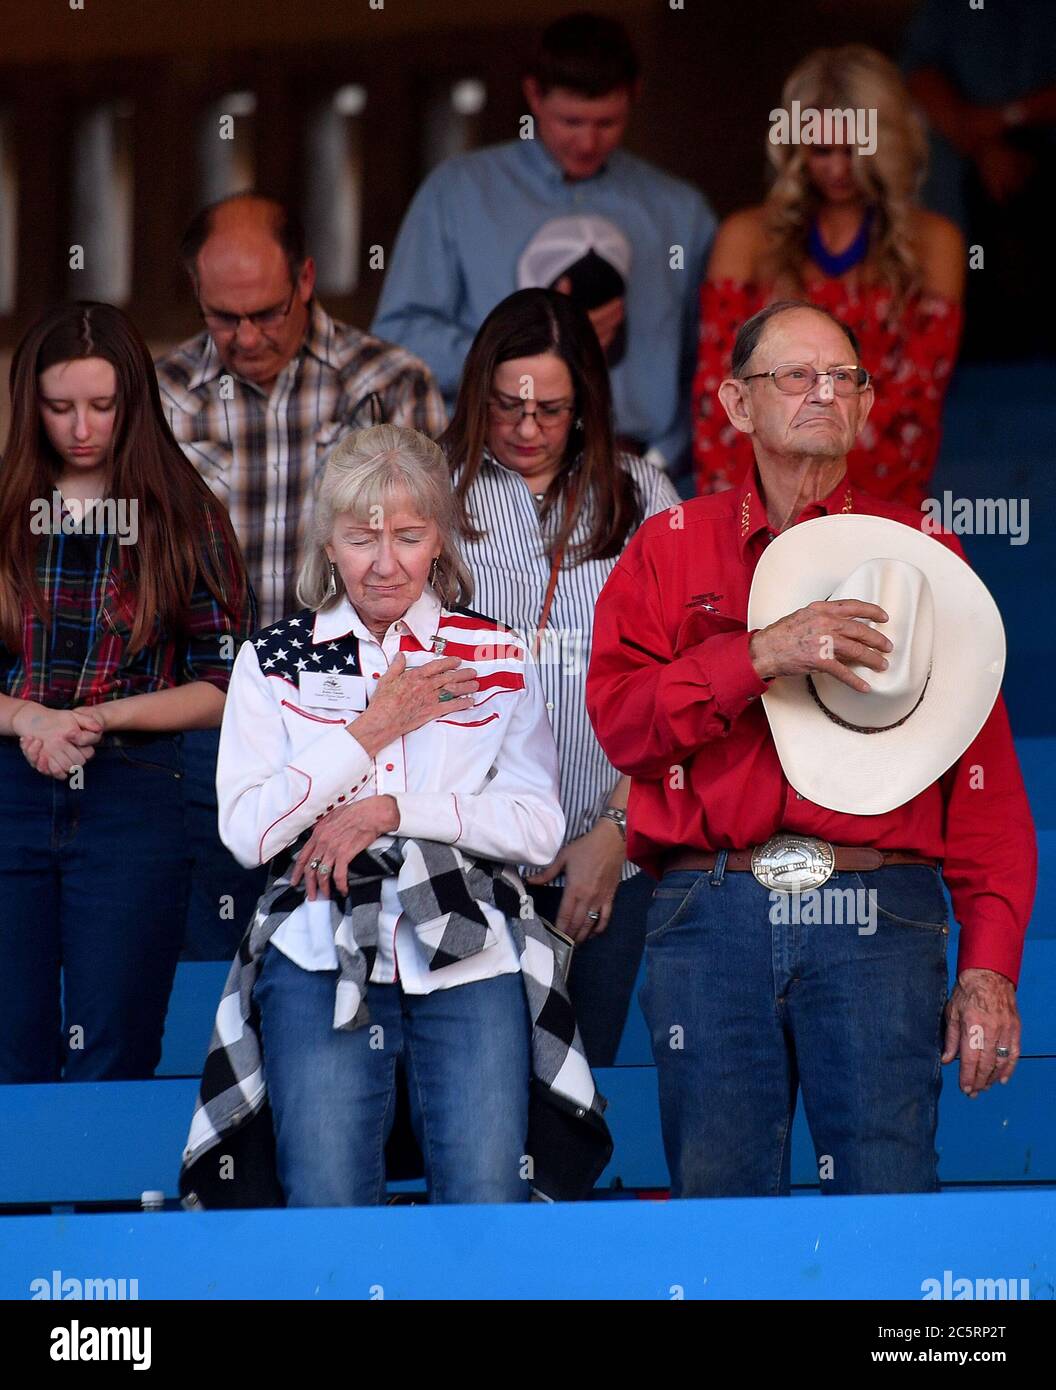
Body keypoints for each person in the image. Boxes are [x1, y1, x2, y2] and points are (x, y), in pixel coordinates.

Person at [587, 300, 1036, 1198]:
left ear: (868, 408)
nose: (825, 394)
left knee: (886, 1203)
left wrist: (988, 969)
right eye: (797, 375)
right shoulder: (670, 546)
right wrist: (755, 655)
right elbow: (624, 724)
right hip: (711, 905)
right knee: (720, 1214)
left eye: (846, 379)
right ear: (736, 404)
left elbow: (982, 790)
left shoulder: (924, 551)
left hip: (881, 905)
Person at [180, 425, 610, 1209]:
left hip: (466, 948)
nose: (385, 564)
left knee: (486, 1198)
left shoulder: (492, 652)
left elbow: (537, 826)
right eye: (362, 539)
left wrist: (389, 809)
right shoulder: (274, 657)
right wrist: (371, 731)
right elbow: (247, 832)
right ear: (330, 544)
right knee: (326, 1199)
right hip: (317, 948)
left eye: (409, 537)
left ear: (439, 539)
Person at [155, 193, 447, 958]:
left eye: (267, 312)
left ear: (308, 279)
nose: (247, 337)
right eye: (224, 317)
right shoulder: (165, 395)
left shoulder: (387, 382)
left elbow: (429, 550)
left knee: (362, 951)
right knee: (217, 953)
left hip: (364, 714)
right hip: (213, 720)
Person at [0, 302, 252, 1083]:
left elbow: (222, 683)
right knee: (11, 1050)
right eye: (60, 406)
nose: (82, 427)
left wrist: (98, 717)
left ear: (133, 403)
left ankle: (103, 1204)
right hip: (8, 786)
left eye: (103, 406)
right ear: (27, 404)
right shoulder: (6, 511)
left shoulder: (183, 512)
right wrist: (30, 717)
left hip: (135, 790)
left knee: (117, 1043)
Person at [441, 287, 680, 1066]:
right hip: (466, 856)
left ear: (586, 400)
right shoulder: (430, 493)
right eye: (508, 407)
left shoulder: (643, 495)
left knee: (586, 1093)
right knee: (479, 1091)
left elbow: (679, 685)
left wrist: (614, 833)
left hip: (612, 851)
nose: (528, 429)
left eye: (552, 408)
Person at [372, 12, 716, 477]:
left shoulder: (681, 212)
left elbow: (710, 363)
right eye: (570, 121)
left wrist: (663, 463)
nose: (588, 141)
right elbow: (398, 340)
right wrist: (523, 347)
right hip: (491, 468)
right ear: (534, 94)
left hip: (639, 466)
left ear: (634, 95)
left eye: (607, 122)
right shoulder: (459, 192)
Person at [692, 45, 964, 507]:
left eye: (854, 151)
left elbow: (915, 404)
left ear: (888, 145)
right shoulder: (745, 237)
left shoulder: (935, 242)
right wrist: (749, 516)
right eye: (821, 150)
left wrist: (841, 512)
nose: (838, 169)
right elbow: (718, 401)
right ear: (795, 147)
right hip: (759, 497)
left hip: (881, 498)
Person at [903, 0, 1056, 360]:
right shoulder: (950, 10)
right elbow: (919, 73)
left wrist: (1006, 120)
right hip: (964, 171)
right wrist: (983, 148)